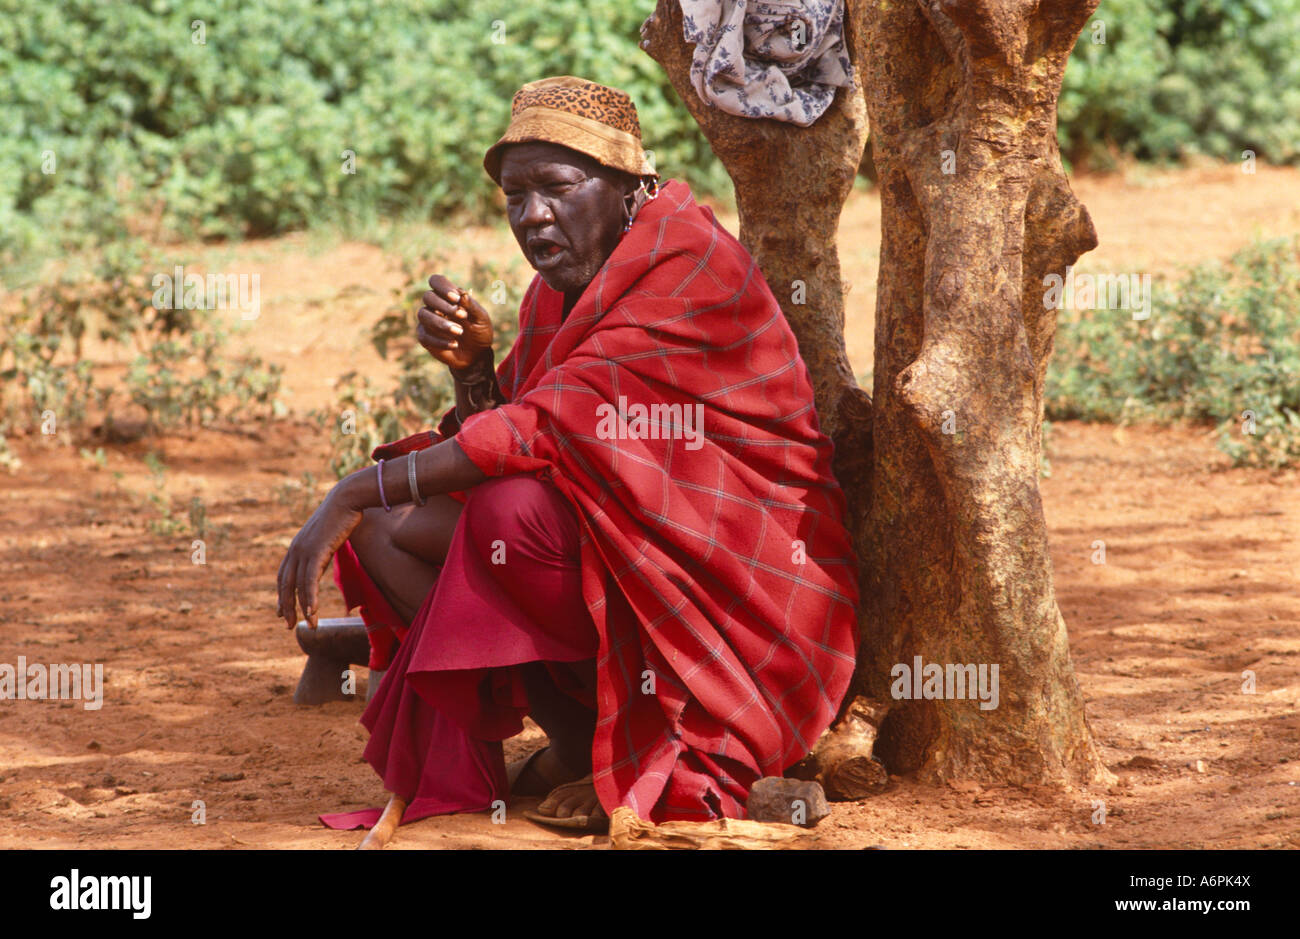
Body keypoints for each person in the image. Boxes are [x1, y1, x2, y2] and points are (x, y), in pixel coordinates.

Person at [275, 76, 859, 848]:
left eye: (556, 187)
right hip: (628, 568)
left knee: (503, 515)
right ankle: (588, 743)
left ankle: (653, 749)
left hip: (747, 605)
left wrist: (351, 486)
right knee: (386, 529)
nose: (533, 215)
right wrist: (475, 371)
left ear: (627, 188)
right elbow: (516, 431)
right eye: (516, 196)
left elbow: (545, 428)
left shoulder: (687, 265)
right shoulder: (560, 288)